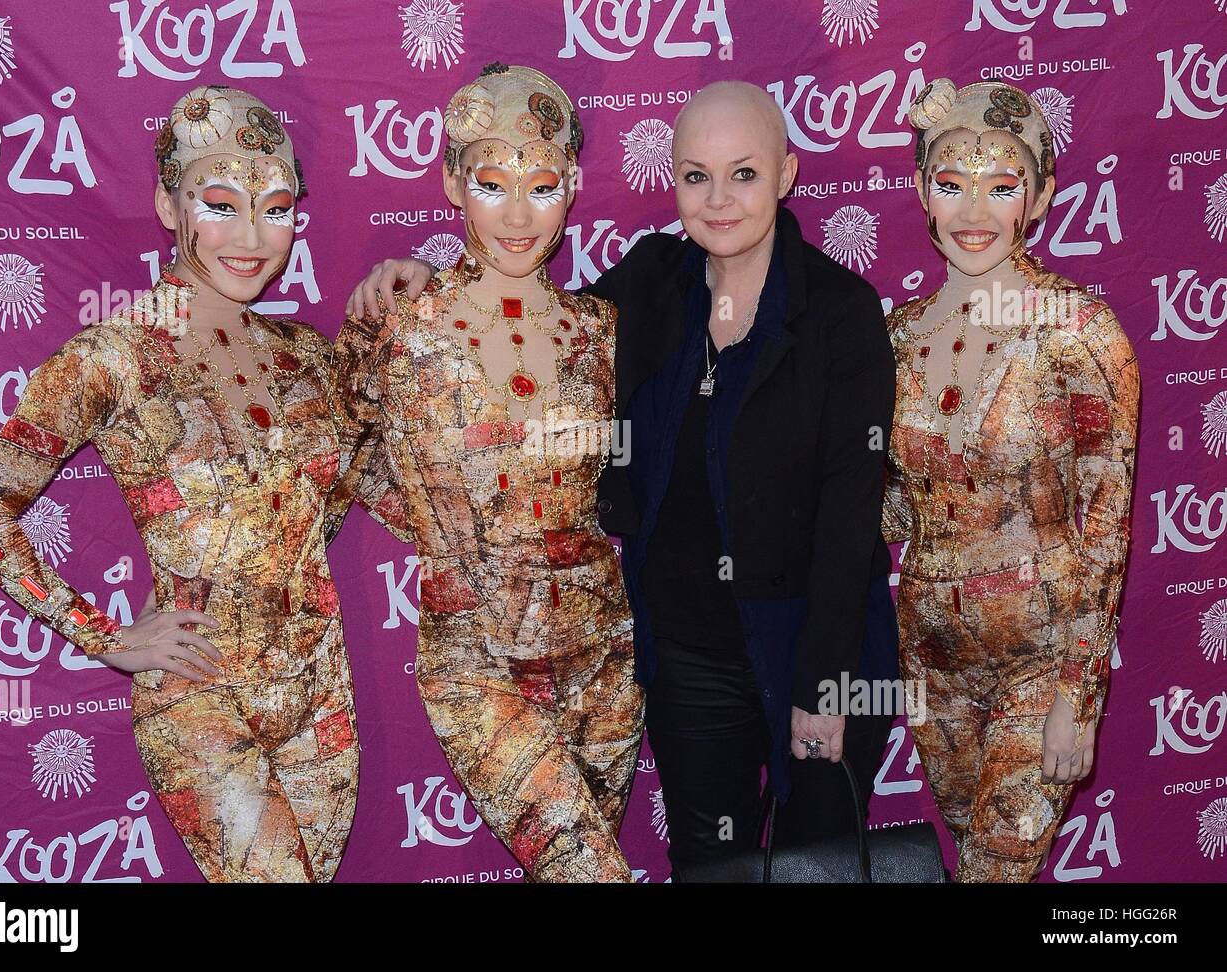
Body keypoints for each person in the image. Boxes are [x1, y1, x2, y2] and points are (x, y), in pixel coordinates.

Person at [354, 80, 900, 878]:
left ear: (786, 175)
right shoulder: (652, 280)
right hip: (685, 659)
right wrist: (425, 276)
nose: (718, 201)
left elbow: (852, 521)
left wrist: (823, 688)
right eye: (694, 176)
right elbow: (535, 343)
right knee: (711, 866)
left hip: (811, 646)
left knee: (814, 867)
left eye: (744, 174)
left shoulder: (841, 312)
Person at [0, 85, 360, 883]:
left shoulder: (308, 356)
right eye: (220, 203)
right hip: (197, 692)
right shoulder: (114, 356)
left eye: (275, 208)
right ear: (168, 205)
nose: (251, 237)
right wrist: (107, 638)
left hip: (322, 693)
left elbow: (334, 499)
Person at [333, 63, 643, 882]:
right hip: (476, 661)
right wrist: (446, 528)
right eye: (492, 183)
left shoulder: (603, 329)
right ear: (450, 181)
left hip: (605, 656)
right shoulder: (397, 324)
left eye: (541, 187)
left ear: (573, 185)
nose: (516, 216)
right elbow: (339, 452)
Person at [881, 78, 1140, 882]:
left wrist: (1078, 694)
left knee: (997, 868)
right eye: (952, 184)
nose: (973, 212)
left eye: (1001, 187)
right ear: (923, 187)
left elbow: (1106, 524)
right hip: (931, 660)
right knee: (975, 863)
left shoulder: (1083, 335)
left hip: (1045, 657)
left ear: (1041, 197)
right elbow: (893, 509)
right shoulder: (896, 335)